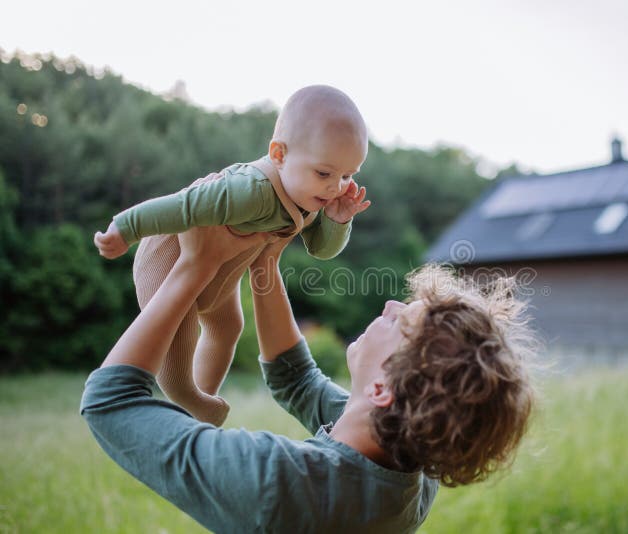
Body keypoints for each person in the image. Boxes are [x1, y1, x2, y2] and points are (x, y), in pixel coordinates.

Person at [81, 225, 537, 533]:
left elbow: (110, 403)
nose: (389, 307)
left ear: (382, 388)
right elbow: (294, 377)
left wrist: (193, 267)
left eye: (402, 323)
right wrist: (265, 260)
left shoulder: (276, 483)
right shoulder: (411, 472)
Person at [92, 85, 371, 425]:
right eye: (325, 173)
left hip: (221, 270)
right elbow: (183, 207)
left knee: (228, 327)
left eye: (347, 176)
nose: (336, 187)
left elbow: (321, 249)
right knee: (180, 337)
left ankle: (197, 415)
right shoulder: (249, 191)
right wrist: (126, 228)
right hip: (170, 259)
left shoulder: (309, 194)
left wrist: (338, 221)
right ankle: (188, 396)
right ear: (279, 155)